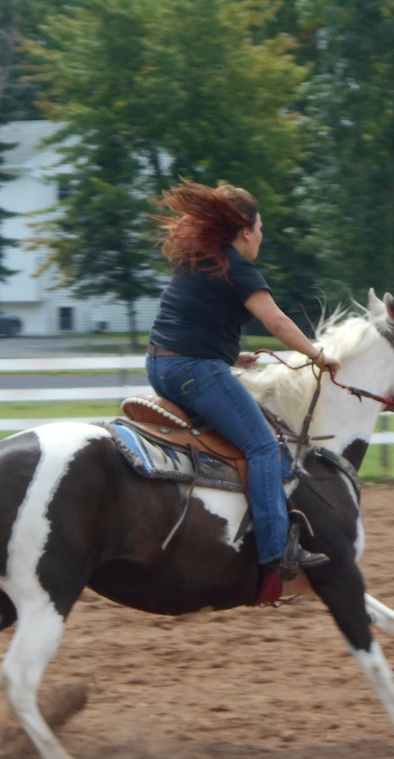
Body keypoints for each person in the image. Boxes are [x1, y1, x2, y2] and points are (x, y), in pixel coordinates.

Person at [147, 179, 340, 579]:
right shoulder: (237, 267)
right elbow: (278, 322)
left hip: (161, 367)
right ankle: (275, 552)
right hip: (194, 371)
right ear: (246, 231)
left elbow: (189, 322)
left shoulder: (197, 261)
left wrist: (232, 356)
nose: (262, 237)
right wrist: (319, 356)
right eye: (261, 229)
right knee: (264, 447)